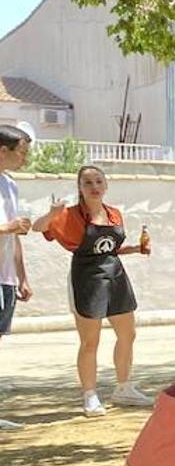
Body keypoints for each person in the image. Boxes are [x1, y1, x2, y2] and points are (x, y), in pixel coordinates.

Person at [33, 164, 152, 415]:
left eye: (98, 181)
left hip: (116, 275)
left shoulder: (115, 214)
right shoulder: (69, 214)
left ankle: (124, 387)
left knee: (128, 334)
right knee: (90, 341)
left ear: (106, 185)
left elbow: (109, 247)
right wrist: (52, 214)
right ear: (80, 188)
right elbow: (38, 227)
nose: (94, 187)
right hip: (87, 278)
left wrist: (133, 249)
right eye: (88, 183)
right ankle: (90, 394)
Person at [0, 124, 33, 430]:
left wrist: (22, 277)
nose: (25, 158)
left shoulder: (10, 185)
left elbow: (15, 234)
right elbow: (8, 228)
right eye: (21, 152)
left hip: (5, 277)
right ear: (3, 151)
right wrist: (9, 227)